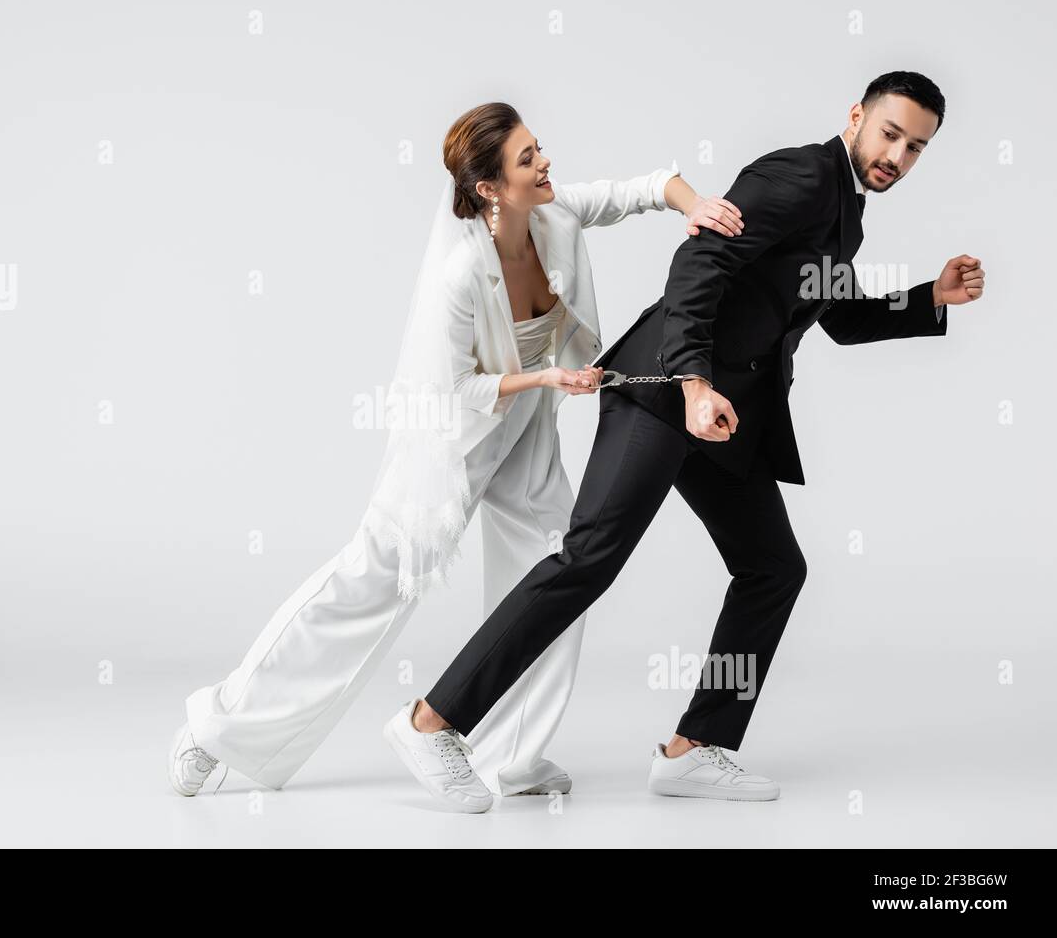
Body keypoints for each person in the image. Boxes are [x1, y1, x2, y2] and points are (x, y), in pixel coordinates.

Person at [386, 72, 986, 812]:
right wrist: (695, 384)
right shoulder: (798, 175)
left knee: (773, 568)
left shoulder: (845, 212)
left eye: (916, 147)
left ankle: (695, 749)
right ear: (857, 116)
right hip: (666, 387)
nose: (898, 154)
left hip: (722, 413)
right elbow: (698, 261)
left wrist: (930, 296)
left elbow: (837, 317)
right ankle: (431, 722)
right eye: (891, 133)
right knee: (588, 560)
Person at [169, 102, 744, 807]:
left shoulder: (555, 214)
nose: (546, 164)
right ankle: (216, 730)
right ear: (490, 189)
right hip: (454, 438)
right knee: (368, 583)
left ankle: (513, 756)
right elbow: (458, 387)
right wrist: (546, 376)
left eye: (540, 148)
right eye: (528, 158)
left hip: (526, 429)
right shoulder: (459, 275)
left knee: (564, 564)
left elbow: (646, 188)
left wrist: (699, 207)